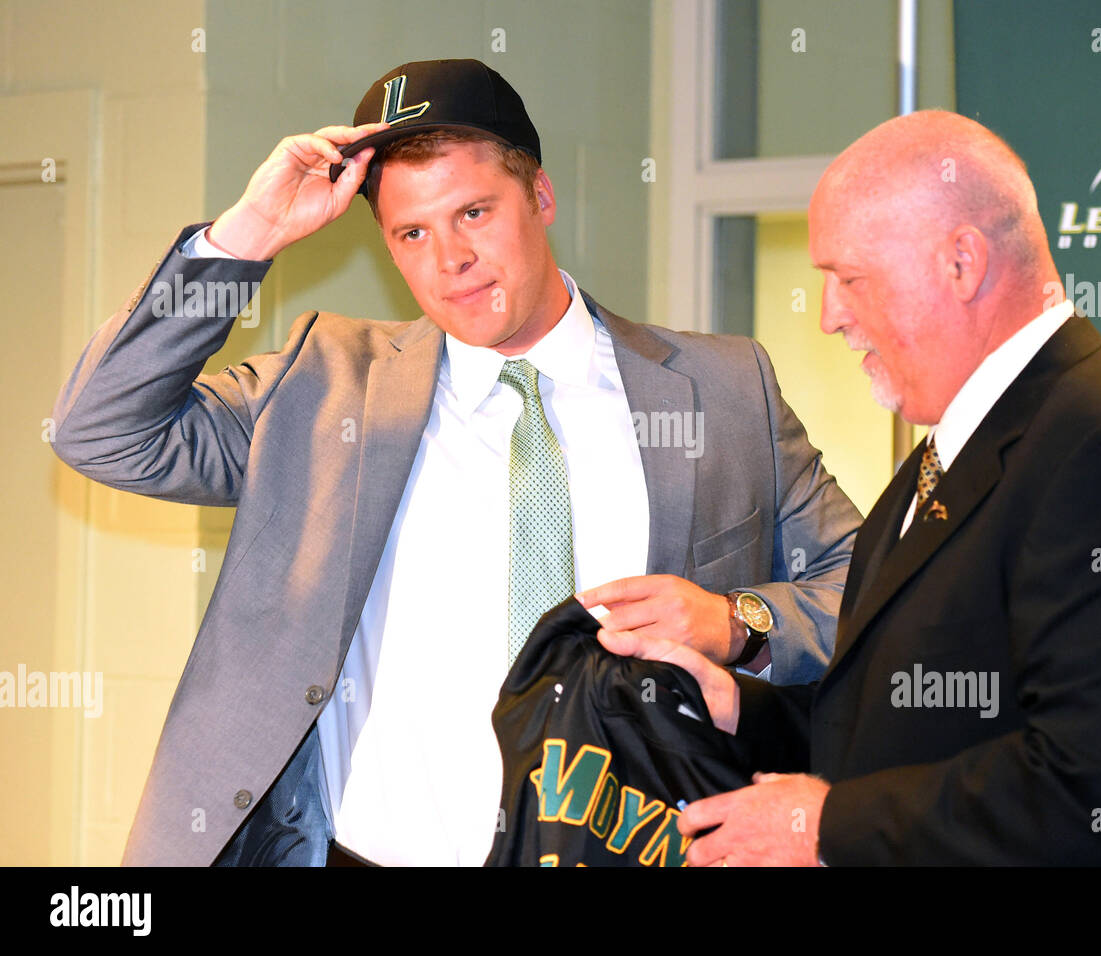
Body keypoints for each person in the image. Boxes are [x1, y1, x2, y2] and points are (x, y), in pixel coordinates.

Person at [49, 59, 862, 866]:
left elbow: (862, 589)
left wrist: (741, 623)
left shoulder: (721, 390)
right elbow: (100, 427)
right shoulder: (321, 388)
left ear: (540, 197)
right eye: (412, 232)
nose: (450, 259)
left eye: (474, 212)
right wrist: (246, 235)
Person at [600, 110, 1101, 866]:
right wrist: (736, 710)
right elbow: (899, 718)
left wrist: (824, 827)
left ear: (961, 263)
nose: (828, 317)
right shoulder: (942, 456)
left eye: (848, 279)